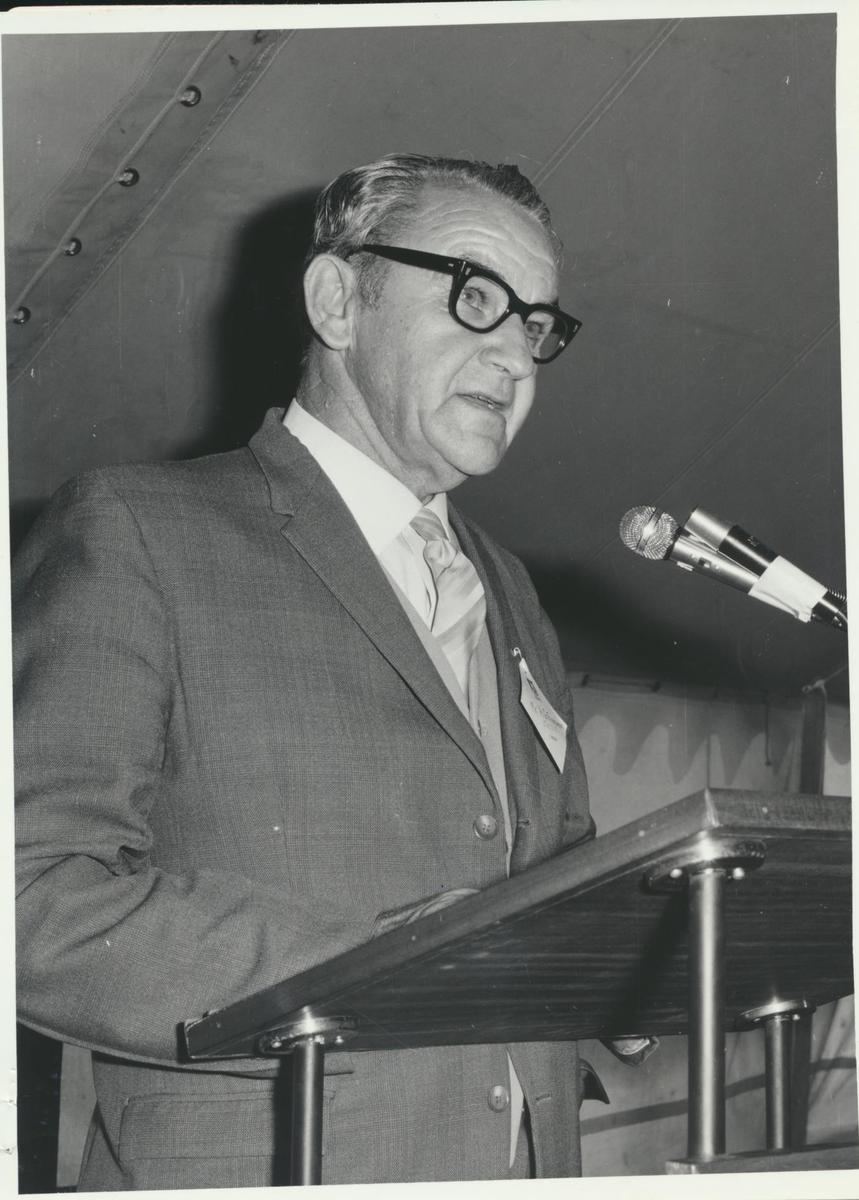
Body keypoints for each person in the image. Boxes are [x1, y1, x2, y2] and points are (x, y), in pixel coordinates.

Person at [14, 153, 595, 1188]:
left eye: (539, 324)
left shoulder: (510, 588)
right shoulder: (141, 528)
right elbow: (30, 895)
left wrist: (635, 964)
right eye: (477, 298)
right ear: (336, 299)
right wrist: (368, 965)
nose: (516, 356)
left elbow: (553, 869)